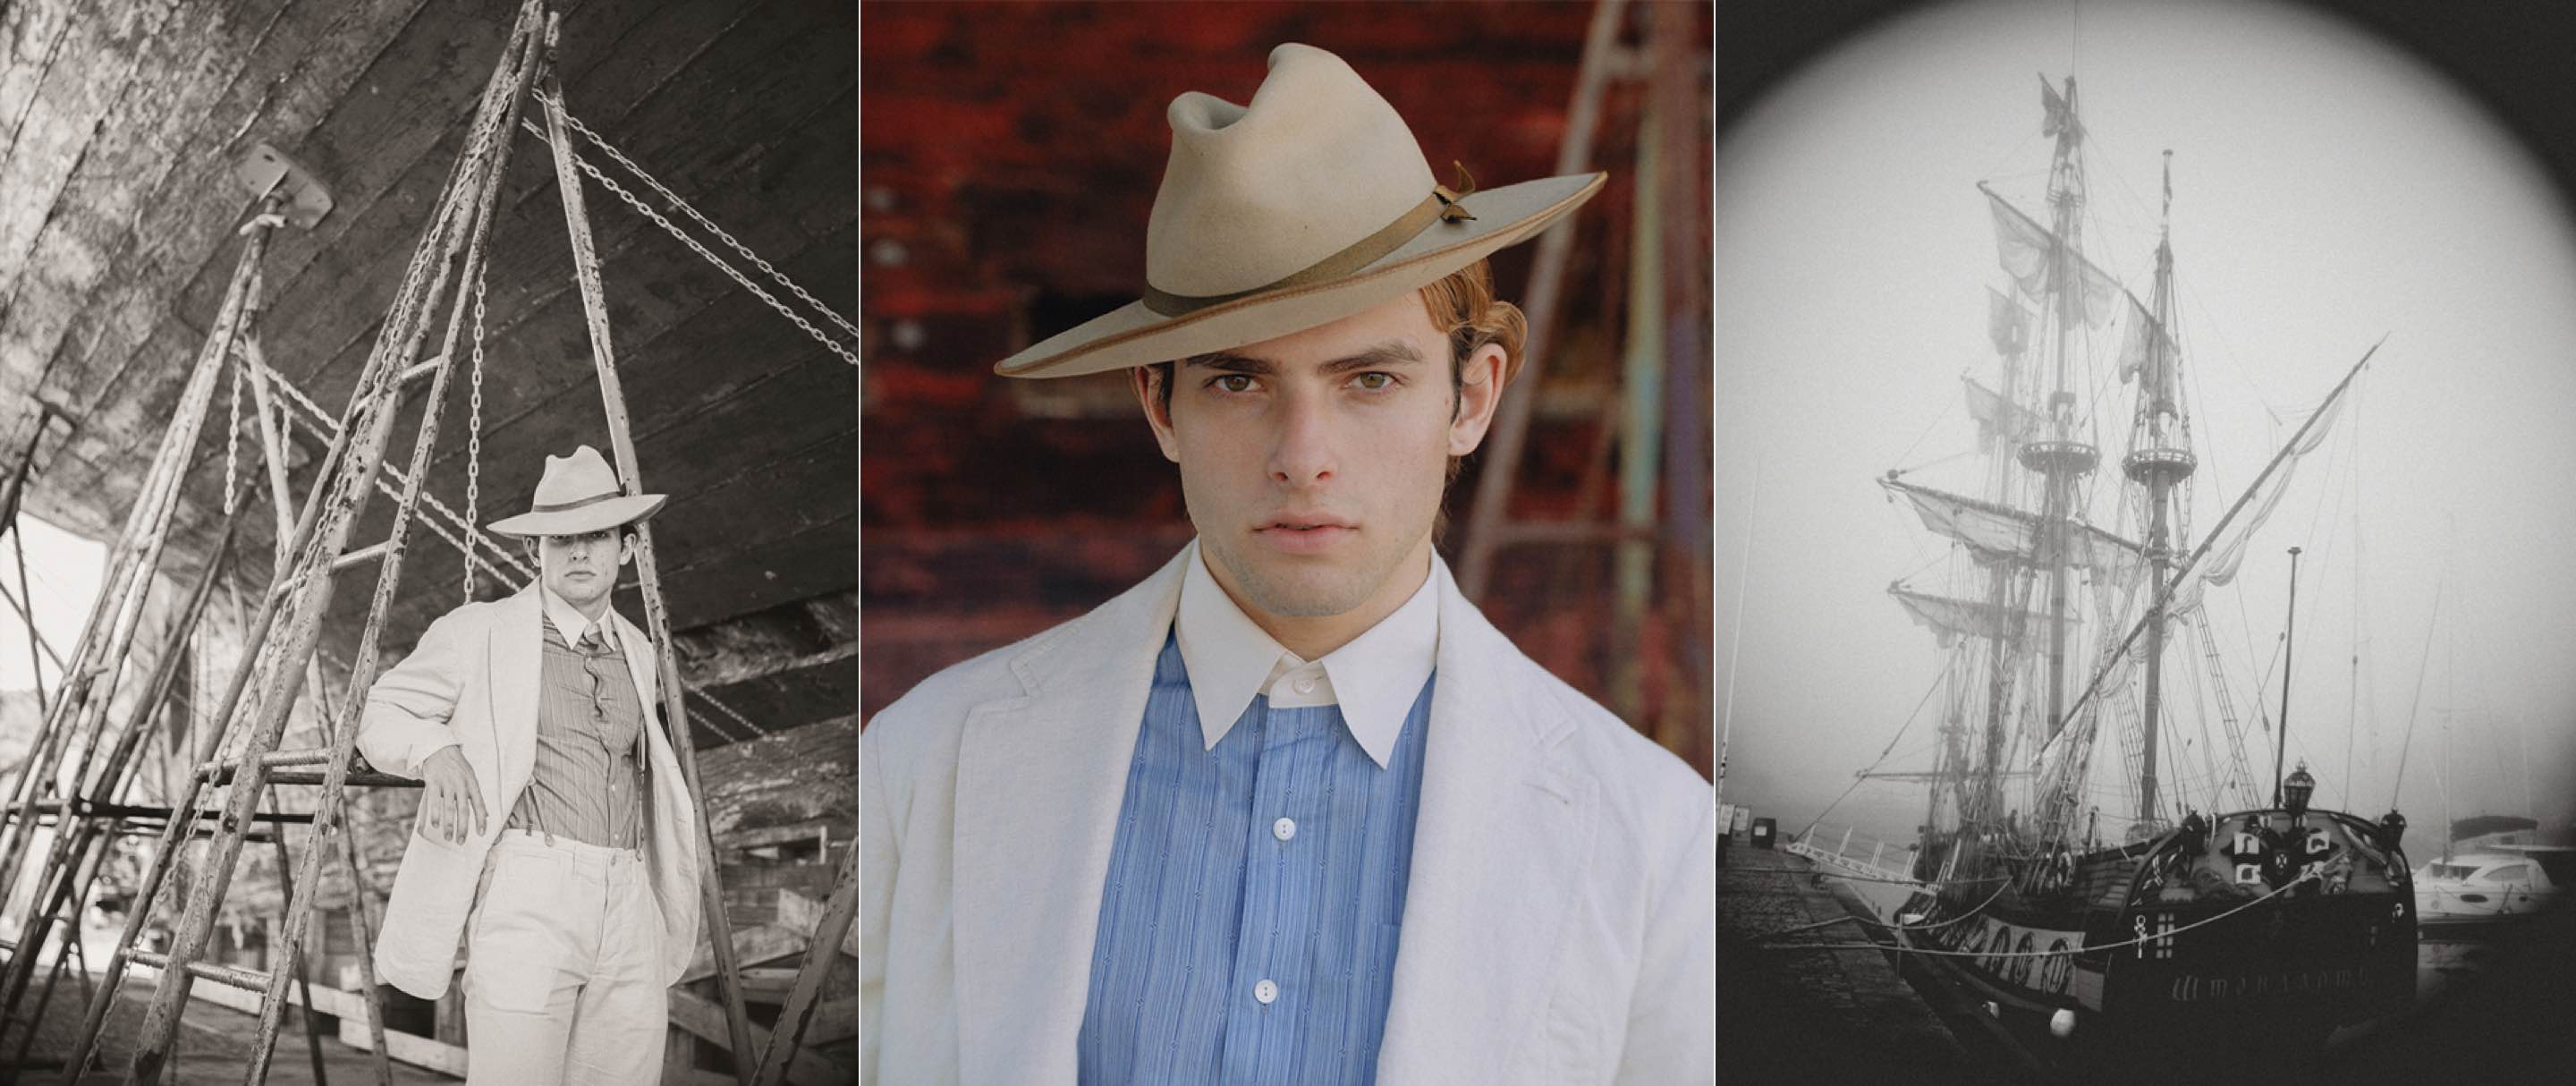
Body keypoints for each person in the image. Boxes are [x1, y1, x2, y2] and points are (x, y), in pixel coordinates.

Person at [860, 44, 1716, 1085]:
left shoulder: (1652, 833)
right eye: (1236, 381)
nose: (1303, 455)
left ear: (1473, 397)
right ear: (1157, 404)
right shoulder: (921, 765)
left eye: (1368, 378)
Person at [355, 445, 703, 1085]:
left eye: (596, 536)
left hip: (628, 897)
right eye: (559, 539)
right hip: (531, 890)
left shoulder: (640, 651)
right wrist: (436, 751)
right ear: (533, 551)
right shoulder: (479, 631)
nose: (578, 553)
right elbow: (378, 714)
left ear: (625, 548)